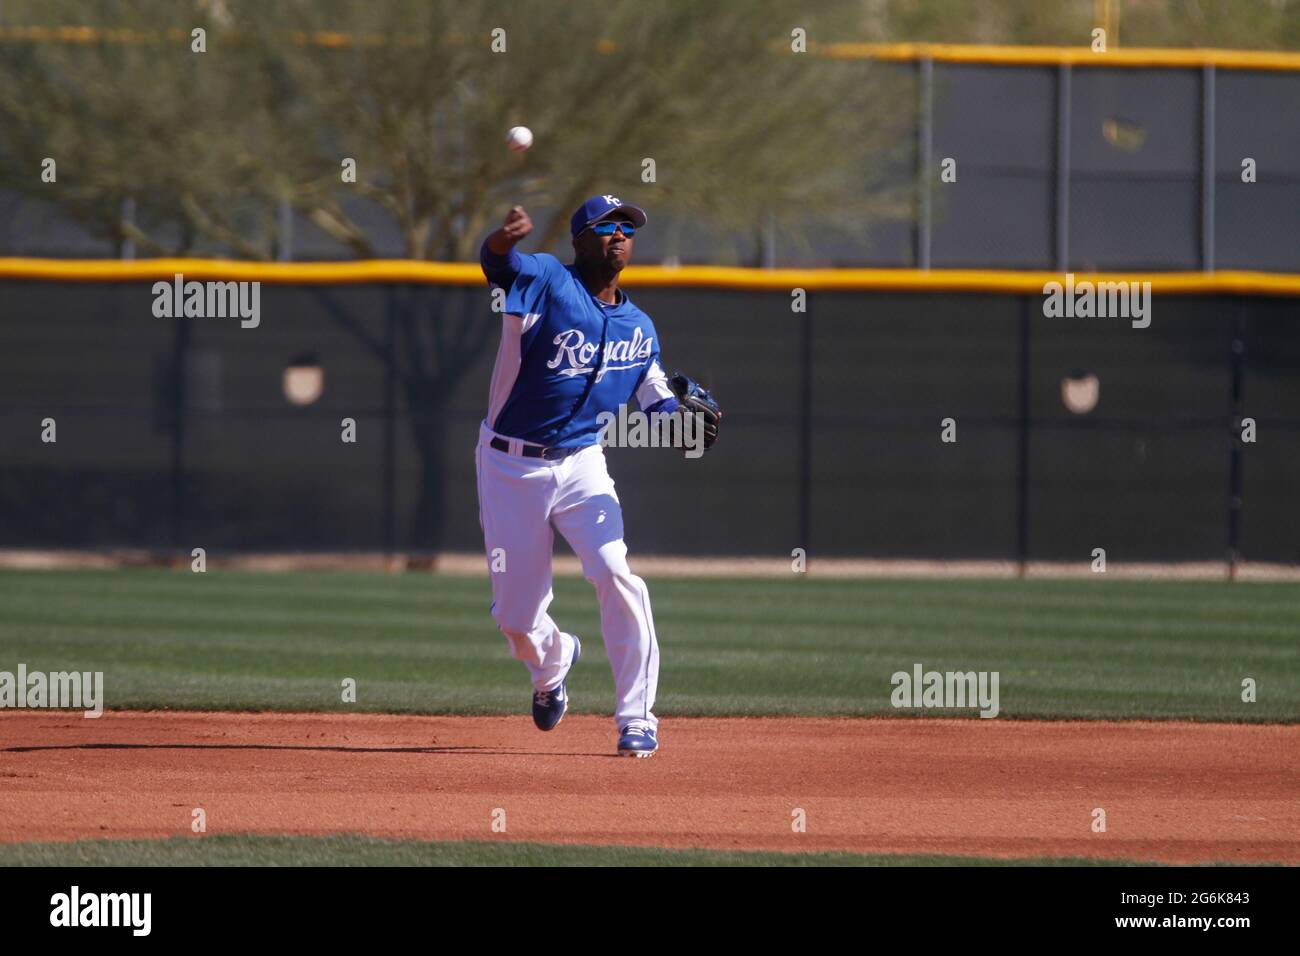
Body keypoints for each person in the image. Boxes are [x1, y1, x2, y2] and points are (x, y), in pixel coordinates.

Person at [475, 194, 678, 758]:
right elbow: (499, 265)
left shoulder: (639, 324)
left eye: (627, 227)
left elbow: (656, 396)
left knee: (616, 573)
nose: (618, 234)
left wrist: (683, 420)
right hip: (510, 463)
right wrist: (503, 239)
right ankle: (553, 661)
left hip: (583, 462)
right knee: (516, 618)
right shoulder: (545, 280)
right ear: (579, 239)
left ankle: (637, 717)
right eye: (605, 225)